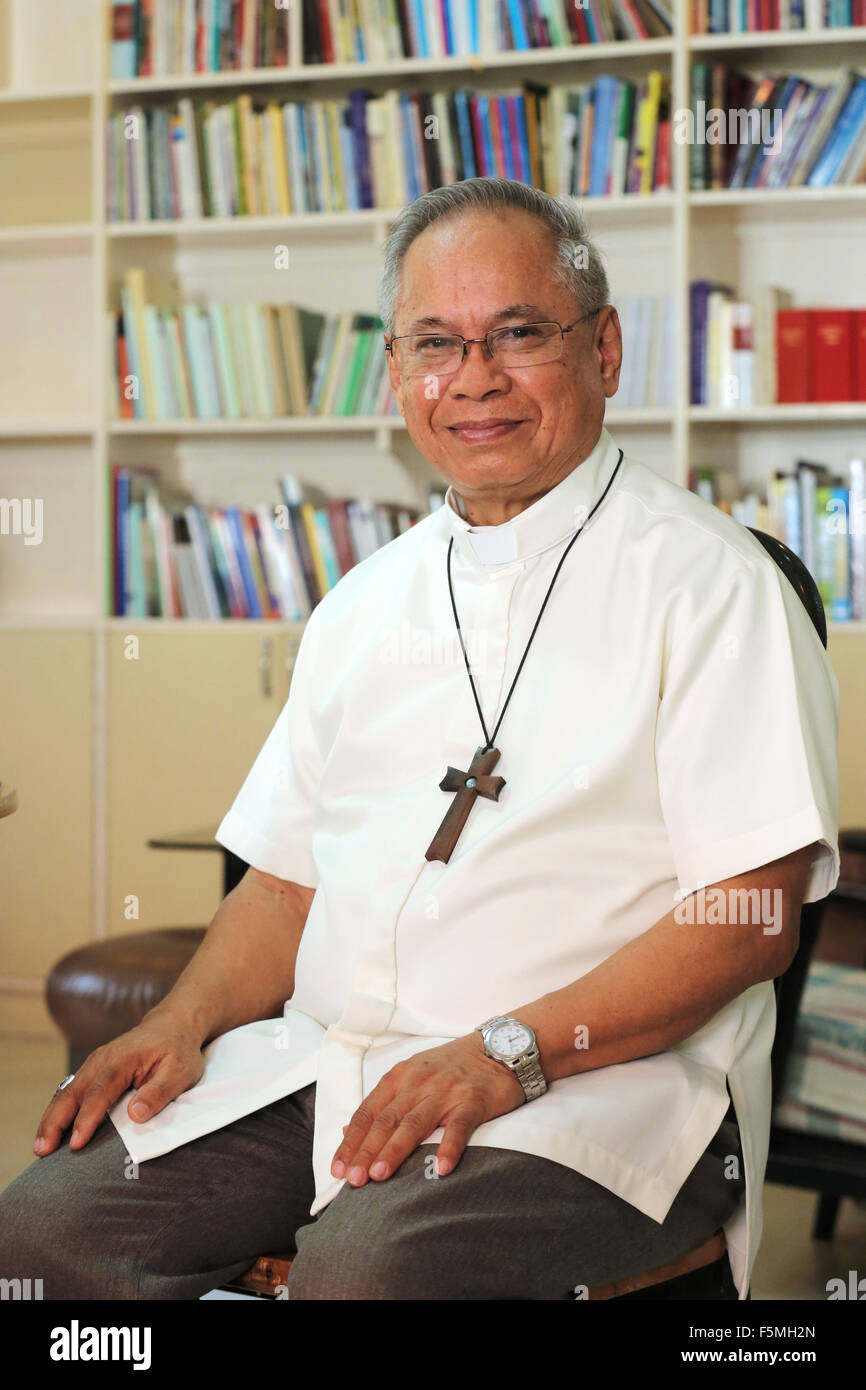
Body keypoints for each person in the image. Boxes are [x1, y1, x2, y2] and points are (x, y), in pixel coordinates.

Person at [0, 177, 839, 1301]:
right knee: (45, 1235)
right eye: (436, 341)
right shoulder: (360, 602)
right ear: (397, 374)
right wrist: (183, 1018)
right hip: (326, 1064)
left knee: (366, 1274)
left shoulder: (712, 586)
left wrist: (506, 1049)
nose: (474, 377)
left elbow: (746, 921)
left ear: (603, 348)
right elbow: (283, 885)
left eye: (518, 334)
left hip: (597, 1080)